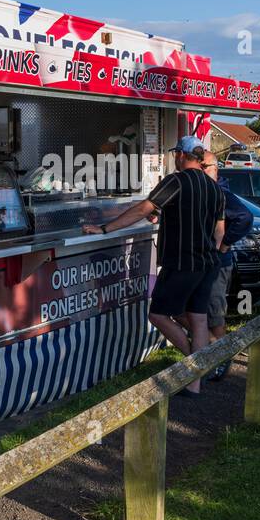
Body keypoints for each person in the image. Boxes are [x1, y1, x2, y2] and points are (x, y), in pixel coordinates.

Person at [83, 136, 224, 395]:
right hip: (207, 262)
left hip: (181, 261)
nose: (175, 158)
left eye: (175, 154)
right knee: (199, 319)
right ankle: (195, 383)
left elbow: (141, 209)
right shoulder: (213, 187)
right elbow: (218, 229)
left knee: (158, 315)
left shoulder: (176, 181)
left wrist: (104, 228)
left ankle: (198, 363)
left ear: (181, 155)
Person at [200, 151, 254, 380]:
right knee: (198, 311)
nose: (202, 171)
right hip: (202, 261)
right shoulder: (202, 191)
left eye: (206, 167)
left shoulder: (220, 193)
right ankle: (211, 354)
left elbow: (245, 217)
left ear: (216, 169)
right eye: (199, 166)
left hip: (218, 263)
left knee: (214, 312)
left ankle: (223, 357)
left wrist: (225, 244)